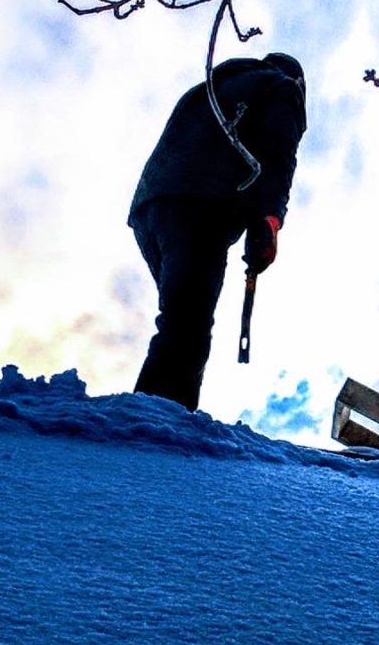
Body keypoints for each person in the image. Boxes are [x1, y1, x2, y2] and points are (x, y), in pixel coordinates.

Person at [128, 52, 306, 411]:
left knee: (179, 318)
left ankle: (150, 419)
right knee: (187, 327)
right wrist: (269, 221)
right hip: (201, 208)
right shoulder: (282, 87)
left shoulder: (210, 86)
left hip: (150, 208)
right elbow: (278, 157)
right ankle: (157, 431)